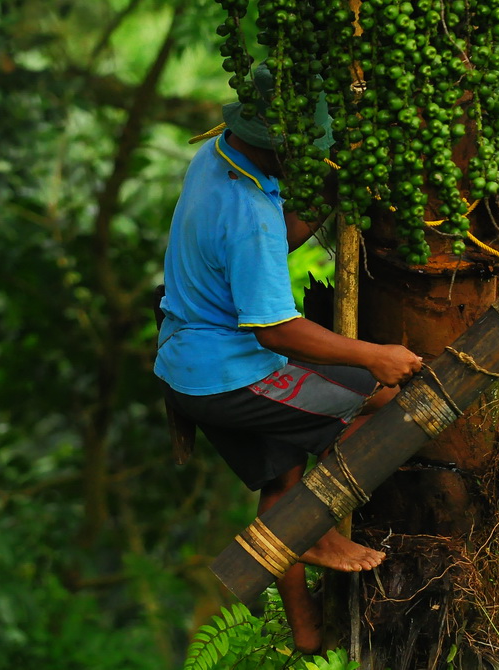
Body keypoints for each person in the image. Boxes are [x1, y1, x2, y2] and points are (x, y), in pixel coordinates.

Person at [155, 64, 422, 652]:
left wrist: (333, 193)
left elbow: (273, 242)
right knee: (384, 402)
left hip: (185, 361)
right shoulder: (246, 210)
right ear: (283, 146)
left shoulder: (219, 158)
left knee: (282, 480)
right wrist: (373, 356)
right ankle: (314, 531)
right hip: (231, 376)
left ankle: (306, 634)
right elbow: (275, 330)